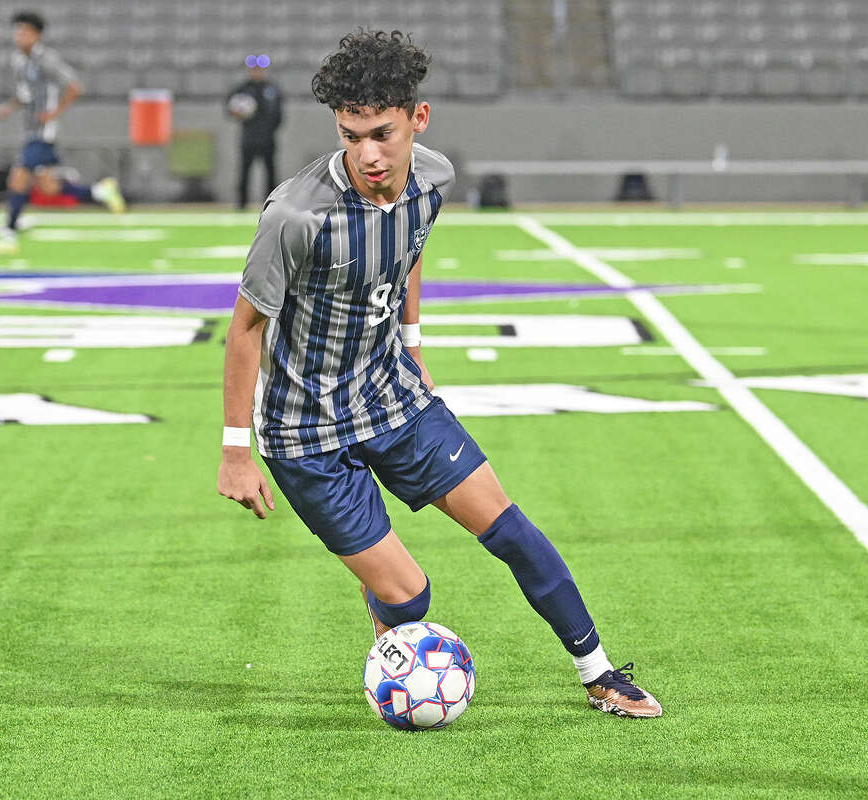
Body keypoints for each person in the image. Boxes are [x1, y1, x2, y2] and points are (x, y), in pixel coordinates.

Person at [216, 30, 661, 719]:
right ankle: (392, 647)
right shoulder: (295, 216)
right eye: (350, 134)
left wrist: (412, 338)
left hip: (393, 396)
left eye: (382, 133)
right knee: (408, 597)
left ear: (416, 120)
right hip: (307, 434)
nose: (367, 153)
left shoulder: (435, 178)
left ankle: (600, 674)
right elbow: (245, 328)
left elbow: (410, 243)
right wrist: (235, 451)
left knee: (510, 529)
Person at [0, 10, 125, 251]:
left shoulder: (46, 59)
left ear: (36, 35)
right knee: (47, 186)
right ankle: (100, 191)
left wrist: (54, 113)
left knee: (19, 176)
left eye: (23, 31)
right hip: (32, 129)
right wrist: (10, 108)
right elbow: (26, 94)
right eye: (17, 31)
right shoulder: (19, 61)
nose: (18, 36)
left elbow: (74, 86)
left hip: (45, 132)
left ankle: (9, 230)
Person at [226, 54, 284, 210]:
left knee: (270, 172)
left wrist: (269, 130)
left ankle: (272, 205)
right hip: (248, 138)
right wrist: (237, 112)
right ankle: (242, 204)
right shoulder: (242, 89)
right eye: (254, 69)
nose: (257, 72)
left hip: (267, 138)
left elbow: (279, 115)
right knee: (244, 172)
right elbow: (229, 109)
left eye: (260, 69)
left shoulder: (272, 89)